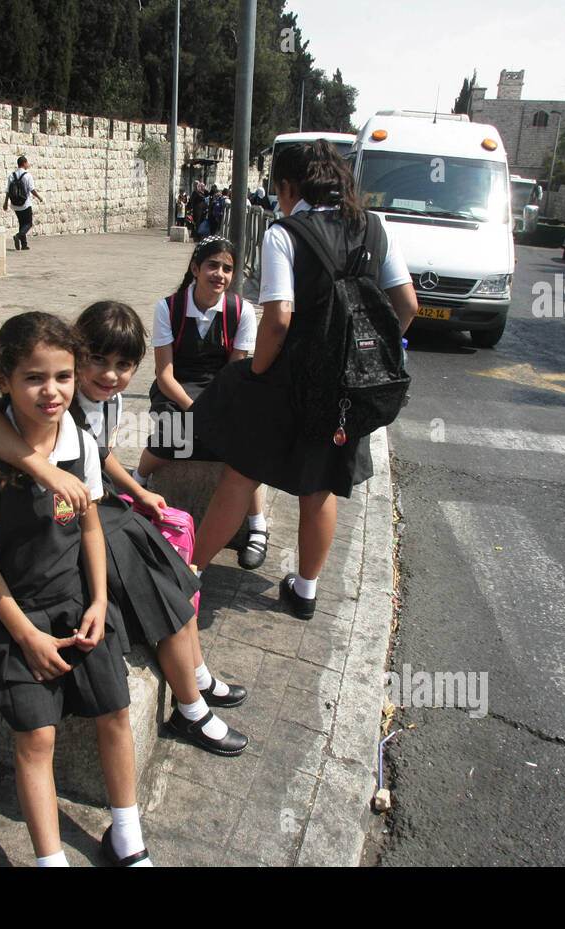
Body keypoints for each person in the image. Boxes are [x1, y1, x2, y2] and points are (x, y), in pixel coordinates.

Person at [0, 302, 249, 756]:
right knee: (160, 583)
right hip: (71, 525)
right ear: (78, 355)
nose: (109, 375)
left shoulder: (99, 399)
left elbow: (101, 454)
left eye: (123, 365)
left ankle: (198, 678)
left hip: (97, 508)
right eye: (98, 360)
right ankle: (191, 708)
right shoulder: (59, 401)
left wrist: (139, 489)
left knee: (175, 573)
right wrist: (44, 470)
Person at [0, 311, 151, 867]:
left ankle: (126, 834)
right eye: (34, 377)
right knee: (36, 736)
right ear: (4, 379)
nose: (51, 390)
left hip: (77, 603)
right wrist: (25, 634)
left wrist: (101, 601)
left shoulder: (80, 441)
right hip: (12, 610)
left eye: (62, 375)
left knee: (116, 711)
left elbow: (90, 529)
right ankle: (49, 858)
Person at [186, 140, 418, 619]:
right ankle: (306, 591)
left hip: (287, 380)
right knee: (320, 488)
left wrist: (257, 370)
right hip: (344, 390)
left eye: (279, 191)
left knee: (241, 472)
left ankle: (191, 574)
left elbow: (278, 320)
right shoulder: (376, 228)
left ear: (288, 187)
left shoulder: (284, 234)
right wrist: (365, 357)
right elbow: (407, 307)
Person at [133, 236, 271, 570]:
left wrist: (215, 409)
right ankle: (137, 483)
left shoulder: (242, 312)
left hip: (222, 390)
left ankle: (256, 525)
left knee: (242, 443)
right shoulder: (169, 308)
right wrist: (196, 411)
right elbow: (165, 374)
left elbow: (235, 372)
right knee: (172, 434)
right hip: (176, 389)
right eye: (212, 265)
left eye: (227, 268)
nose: (219, 274)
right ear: (195, 268)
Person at [4, 155, 44, 251]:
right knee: (29, 223)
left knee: (22, 223)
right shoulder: (27, 175)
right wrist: (39, 197)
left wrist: (5, 203)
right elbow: (32, 190)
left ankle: (24, 245)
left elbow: (8, 191)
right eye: (27, 163)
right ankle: (18, 236)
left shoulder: (12, 175)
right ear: (24, 163)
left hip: (15, 204)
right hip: (25, 203)